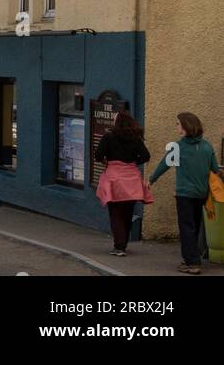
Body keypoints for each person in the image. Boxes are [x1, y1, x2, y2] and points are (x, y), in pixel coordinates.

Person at [148, 112, 221, 274]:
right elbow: (215, 169)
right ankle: (191, 258)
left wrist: (152, 179)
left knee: (187, 227)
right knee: (194, 226)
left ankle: (193, 263)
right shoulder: (207, 146)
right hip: (201, 194)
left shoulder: (178, 146)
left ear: (186, 127)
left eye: (178, 124)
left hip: (185, 194)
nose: (177, 127)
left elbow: (164, 165)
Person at [94, 110, 152, 257]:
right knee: (127, 212)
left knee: (115, 213)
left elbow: (98, 155)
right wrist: (133, 163)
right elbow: (146, 156)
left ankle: (119, 246)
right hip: (131, 178)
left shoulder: (108, 137)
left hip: (114, 177)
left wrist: (106, 162)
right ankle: (123, 243)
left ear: (117, 122)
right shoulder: (136, 138)